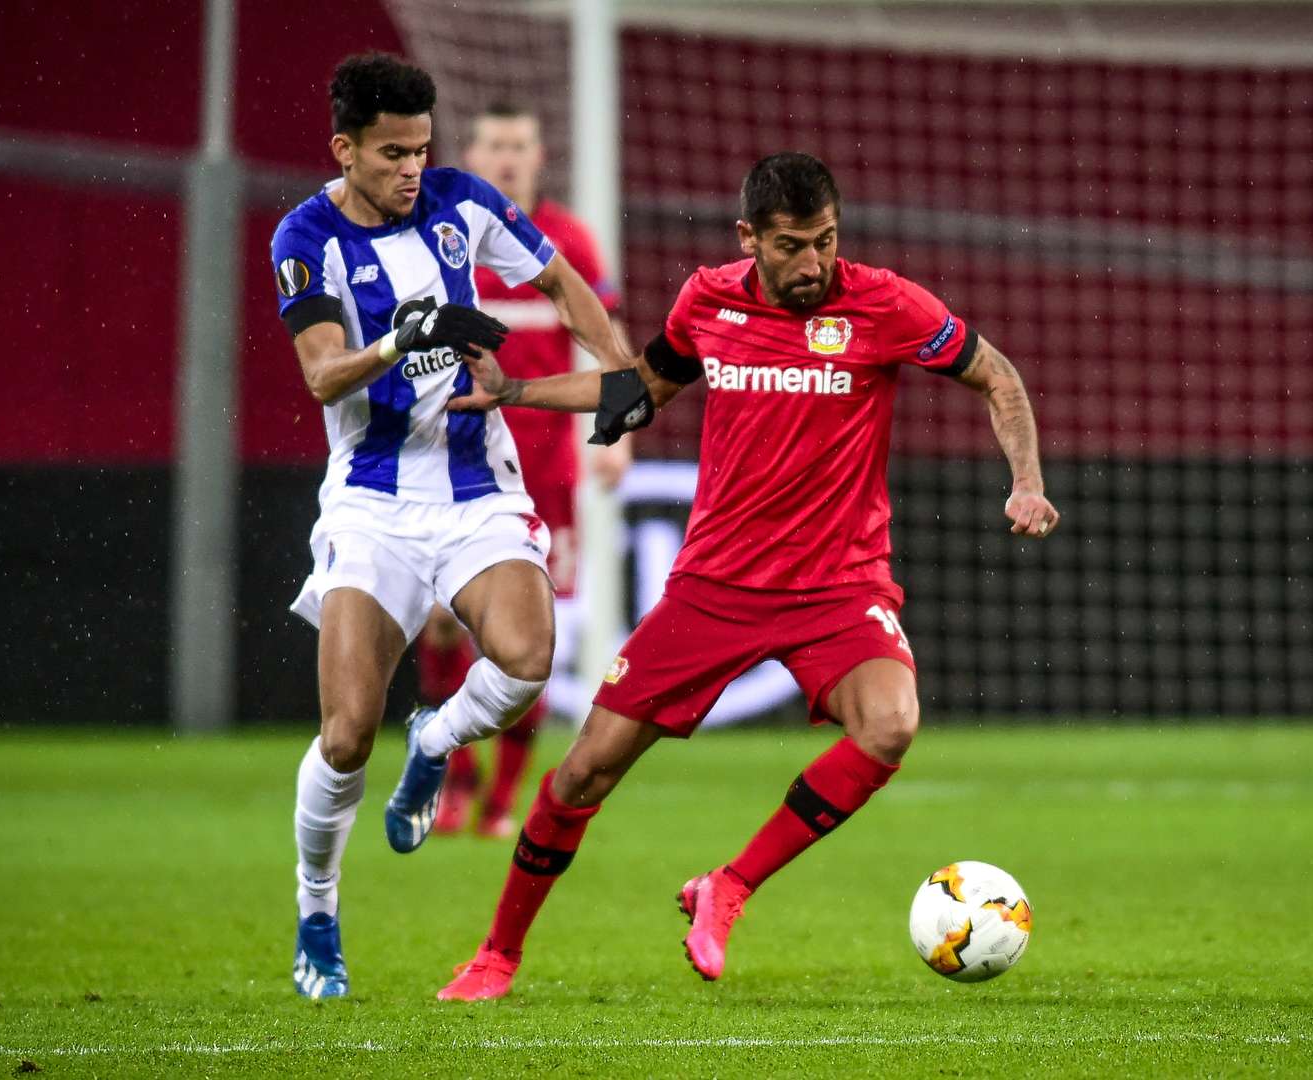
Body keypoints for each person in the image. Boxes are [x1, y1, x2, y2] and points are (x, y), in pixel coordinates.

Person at [432, 152, 1060, 1001]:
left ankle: (727, 887)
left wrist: (1026, 479)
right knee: (584, 773)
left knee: (890, 726)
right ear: (749, 239)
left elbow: (999, 375)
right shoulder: (709, 299)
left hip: (839, 589)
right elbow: (642, 388)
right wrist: (516, 389)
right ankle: (496, 954)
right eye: (793, 246)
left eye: (826, 242)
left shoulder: (883, 302)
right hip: (714, 587)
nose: (813, 264)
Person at [270, 52, 633, 1000]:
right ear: (345, 149)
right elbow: (320, 371)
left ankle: (435, 741)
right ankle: (317, 910)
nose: (411, 170)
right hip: (373, 502)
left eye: (422, 150)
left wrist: (627, 373)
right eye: (392, 154)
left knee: (526, 662)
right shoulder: (304, 235)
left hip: (477, 488)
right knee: (347, 735)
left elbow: (561, 283)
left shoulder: (463, 202)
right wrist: (402, 337)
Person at [415, 102, 631, 840]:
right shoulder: (443, 240)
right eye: (494, 144)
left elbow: (602, 328)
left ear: (539, 158)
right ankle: (455, 783)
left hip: (545, 471)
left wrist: (618, 431)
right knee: (444, 624)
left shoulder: (565, 242)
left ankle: (502, 801)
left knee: (530, 643)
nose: (507, 157)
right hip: (455, 462)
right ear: (471, 155)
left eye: (519, 145)